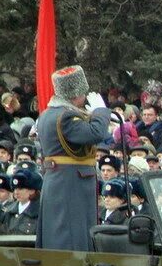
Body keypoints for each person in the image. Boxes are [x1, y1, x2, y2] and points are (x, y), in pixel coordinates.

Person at [36, 66, 112, 252]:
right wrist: (101, 111)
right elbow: (96, 133)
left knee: (59, 231)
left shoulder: (48, 115)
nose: (85, 97)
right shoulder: (66, 116)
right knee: (71, 235)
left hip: (59, 179)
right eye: (83, 93)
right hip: (71, 182)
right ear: (75, 93)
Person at [5, 170, 42, 235]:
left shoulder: (40, 212)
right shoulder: (9, 211)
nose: (16, 192)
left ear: (32, 191)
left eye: (20, 189)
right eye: (15, 189)